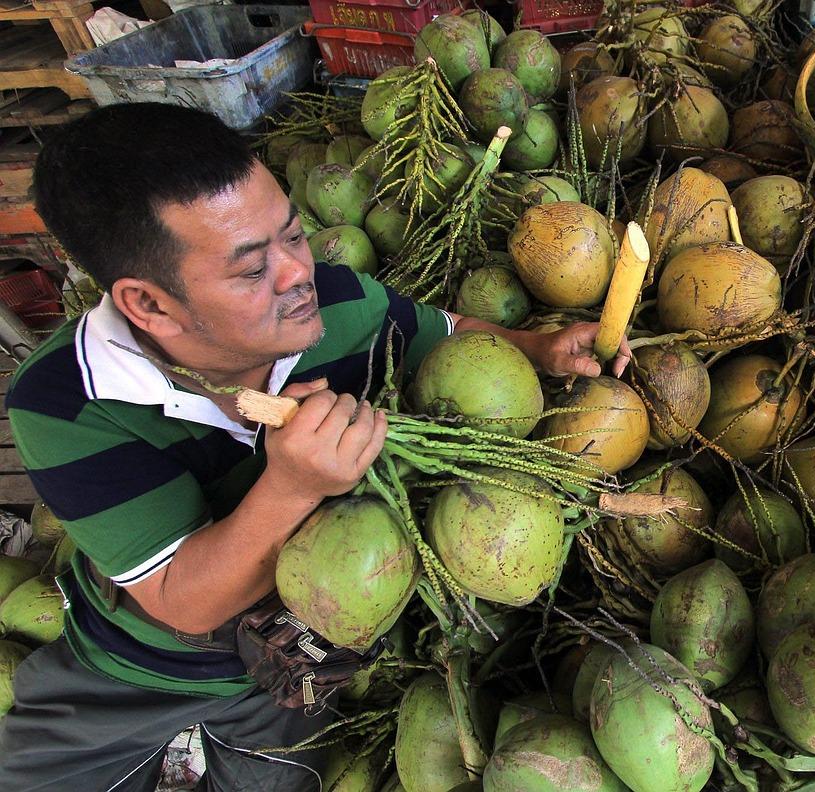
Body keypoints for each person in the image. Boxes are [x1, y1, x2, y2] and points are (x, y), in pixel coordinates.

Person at [0, 102, 630, 791]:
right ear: (149, 303)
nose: (297, 273)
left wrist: (538, 348)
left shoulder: (338, 300)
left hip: (305, 647)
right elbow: (183, 600)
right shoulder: (65, 402)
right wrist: (292, 487)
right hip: (151, 662)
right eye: (251, 270)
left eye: (294, 235)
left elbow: (449, 333)